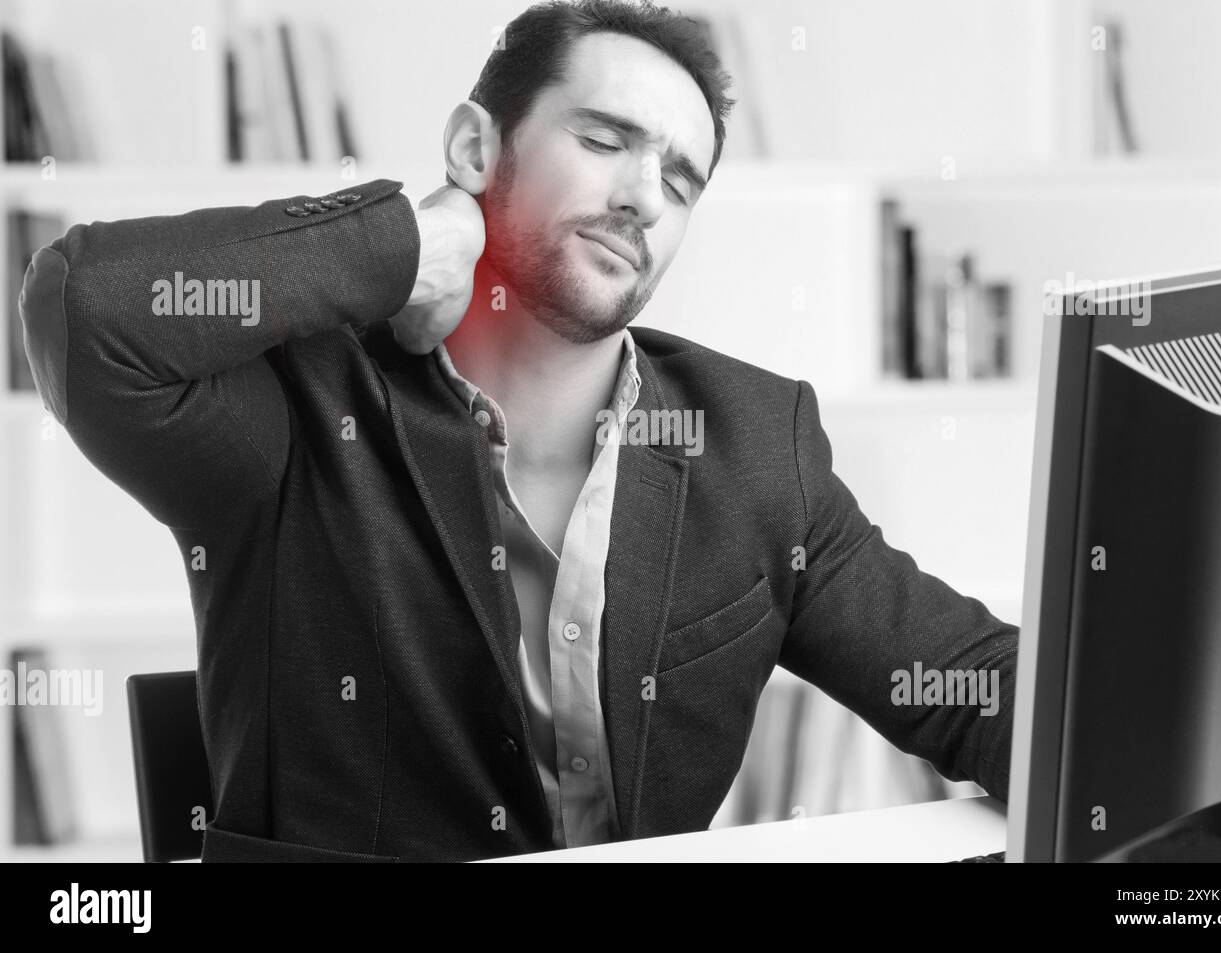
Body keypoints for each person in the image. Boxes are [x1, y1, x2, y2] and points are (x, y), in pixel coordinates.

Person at [18, 0, 1017, 862]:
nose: (640, 197)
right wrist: (404, 239)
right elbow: (83, 309)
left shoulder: (755, 440)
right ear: (473, 148)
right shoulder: (296, 409)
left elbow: (977, 689)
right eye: (604, 139)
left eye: (678, 181)